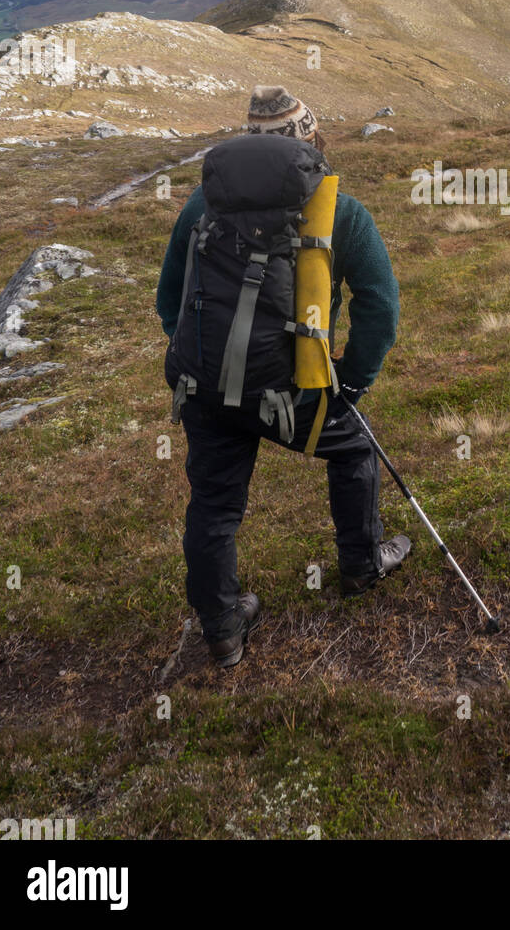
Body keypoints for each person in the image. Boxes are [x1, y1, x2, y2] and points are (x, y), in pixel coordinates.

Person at [156, 84, 409, 667]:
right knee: (354, 453)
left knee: (215, 505)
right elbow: (380, 304)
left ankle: (221, 629)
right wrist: (351, 382)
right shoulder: (338, 210)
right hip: (293, 389)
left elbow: (170, 295)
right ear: (312, 141)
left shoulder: (201, 206)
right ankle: (360, 565)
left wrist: (196, 356)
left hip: (205, 387)